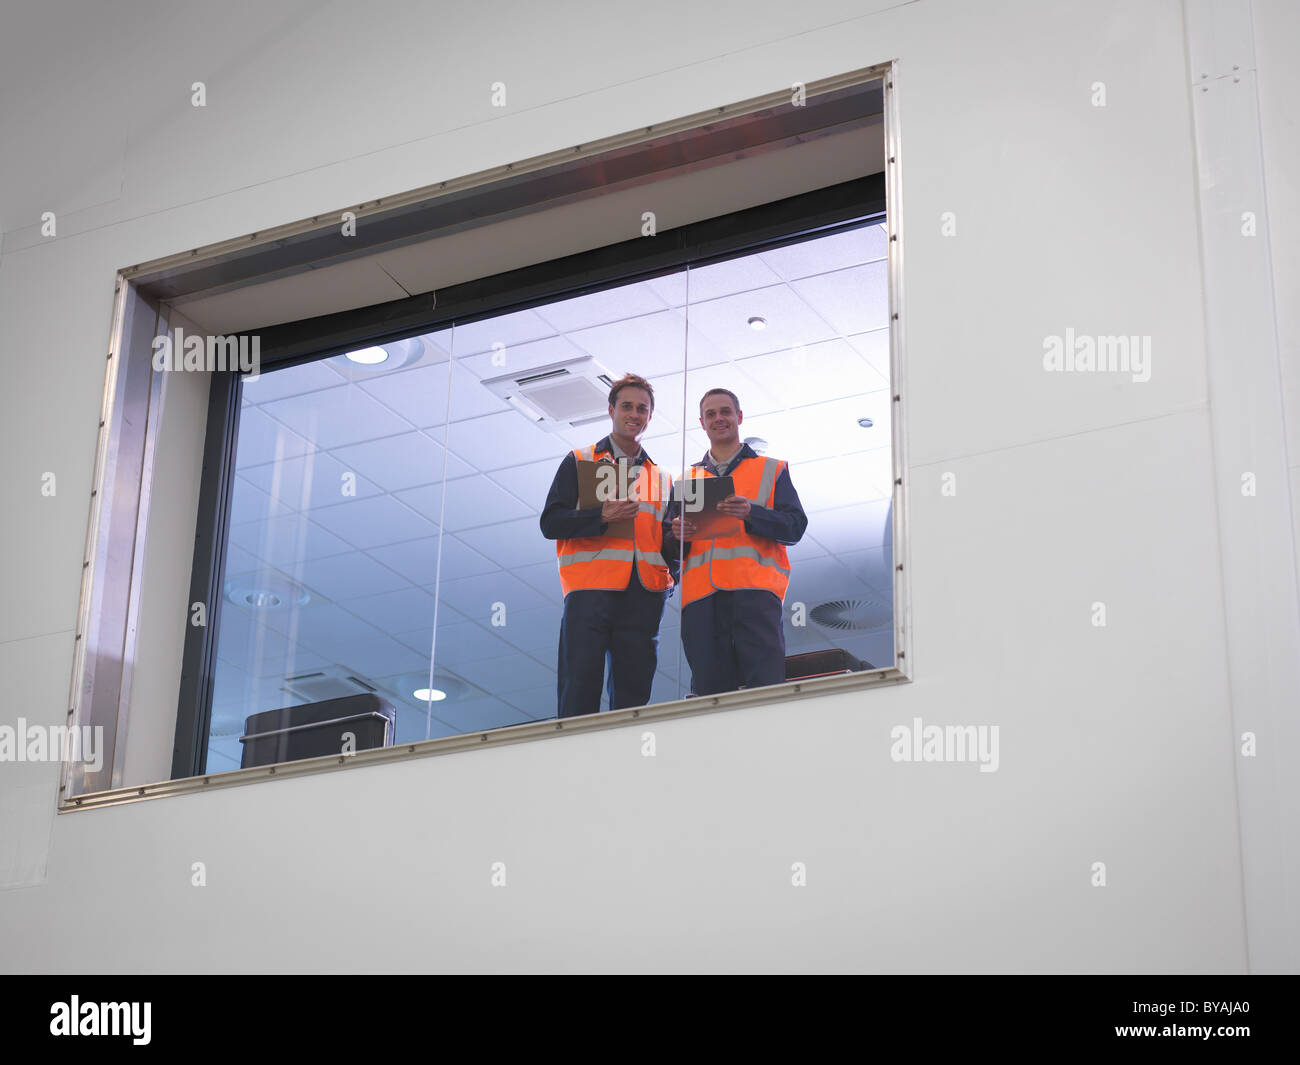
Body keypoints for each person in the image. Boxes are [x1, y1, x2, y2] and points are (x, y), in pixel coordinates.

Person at [540, 374, 676, 718]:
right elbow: (551, 523)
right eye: (627, 406)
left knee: (634, 692)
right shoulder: (581, 460)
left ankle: (628, 760)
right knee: (580, 684)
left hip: (644, 593)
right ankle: (575, 758)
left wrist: (670, 574)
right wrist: (601, 515)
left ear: (650, 415)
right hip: (591, 590)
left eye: (642, 408)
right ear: (611, 410)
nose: (634, 413)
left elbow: (666, 542)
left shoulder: (661, 477)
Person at [670, 388, 807, 695]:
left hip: (755, 595)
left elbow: (795, 527)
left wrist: (752, 514)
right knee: (710, 694)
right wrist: (677, 535)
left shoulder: (772, 469)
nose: (719, 419)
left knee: (765, 686)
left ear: (739, 417)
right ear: (702, 423)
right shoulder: (685, 480)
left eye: (725, 412)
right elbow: (669, 554)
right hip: (702, 602)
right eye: (711, 414)